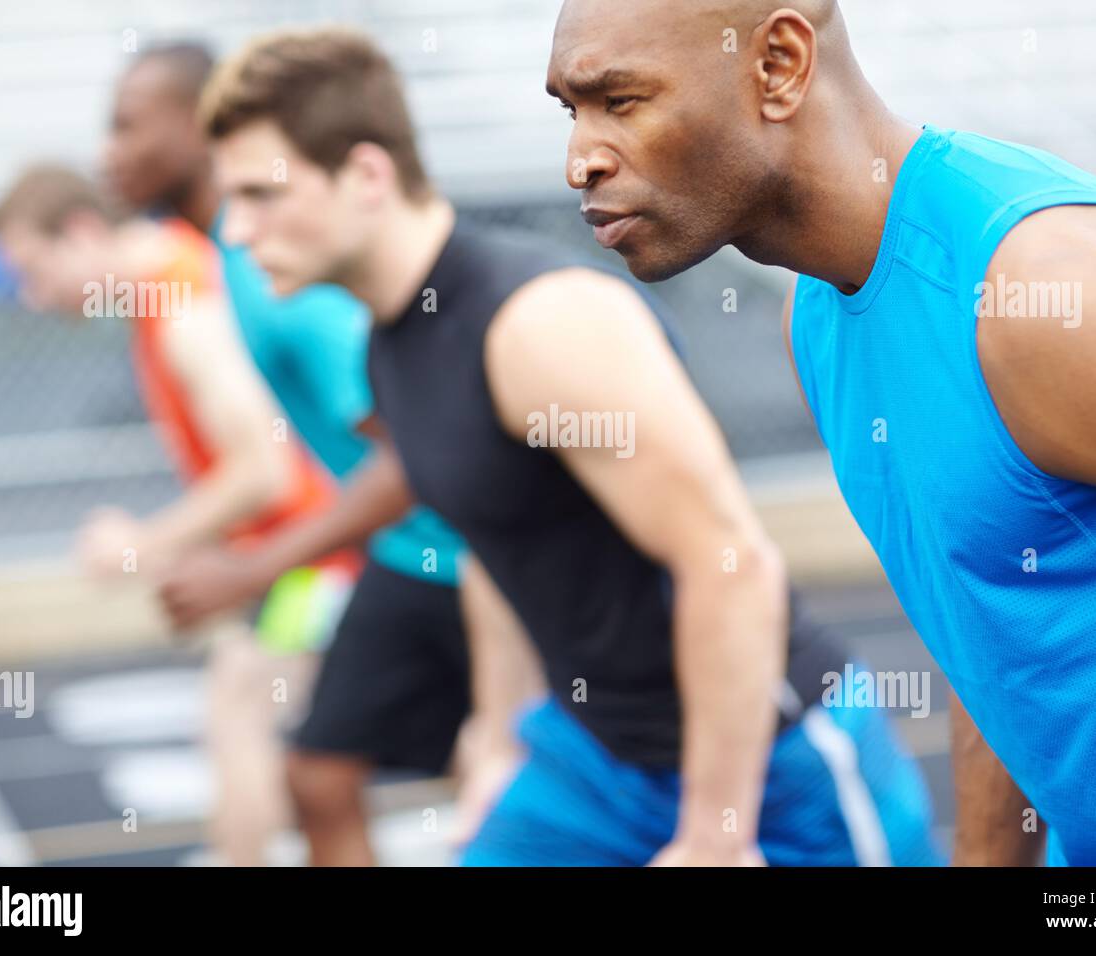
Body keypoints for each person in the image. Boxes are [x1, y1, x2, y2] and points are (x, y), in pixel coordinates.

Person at [175, 27, 941, 866]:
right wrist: (499, 740)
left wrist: (714, 833)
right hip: (595, 760)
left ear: (364, 175)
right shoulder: (389, 346)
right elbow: (488, 545)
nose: (237, 231)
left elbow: (730, 563)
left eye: (259, 195)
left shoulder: (541, 322)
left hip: (773, 767)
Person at [546, 0, 1096, 865]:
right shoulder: (817, 316)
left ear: (779, 64)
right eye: (571, 112)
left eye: (622, 100)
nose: (580, 160)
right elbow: (996, 625)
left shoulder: (1055, 297)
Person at [102, 44, 509, 866]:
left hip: (466, 555)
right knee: (320, 774)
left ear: (197, 127)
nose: (109, 153)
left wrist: (250, 571)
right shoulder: (232, 256)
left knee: (498, 768)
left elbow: (408, 458)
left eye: (127, 127)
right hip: (406, 554)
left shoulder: (276, 277)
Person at [0, 165, 355, 865]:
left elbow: (262, 469)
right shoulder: (170, 285)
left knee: (240, 718)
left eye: (35, 269)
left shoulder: (181, 303)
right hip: (303, 552)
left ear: (83, 232)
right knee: (275, 732)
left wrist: (143, 542)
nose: (33, 299)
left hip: (320, 554)